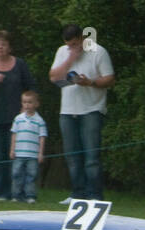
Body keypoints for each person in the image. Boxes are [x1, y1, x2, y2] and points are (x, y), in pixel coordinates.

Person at [48, 23, 114, 201]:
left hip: (92, 109)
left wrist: (90, 82)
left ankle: (95, 195)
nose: (72, 48)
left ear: (83, 39)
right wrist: (70, 59)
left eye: (75, 44)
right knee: (72, 156)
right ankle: (78, 194)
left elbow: (109, 79)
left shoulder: (98, 51)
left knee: (91, 156)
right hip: (68, 111)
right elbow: (53, 77)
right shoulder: (62, 52)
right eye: (69, 45)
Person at [0, 30, 36, 201]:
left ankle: (19, 192)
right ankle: (3, 193)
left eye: (3, 44)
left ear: (10, 47)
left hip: (17, 118)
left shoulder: (20, 64)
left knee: (18, 155)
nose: (0, 47)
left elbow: (30, 86)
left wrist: (27, 108)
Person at [9, 91, 47, 203]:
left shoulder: (40, 120)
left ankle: (30, 196)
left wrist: (40, 153)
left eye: (30, 102)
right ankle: (16, 195)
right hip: (19, 153)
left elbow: (42, 137)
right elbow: (14, 134)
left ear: (36, 104)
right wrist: (12, 149)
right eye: (24, 102)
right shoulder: (18, 119)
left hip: (33, 154)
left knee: (31, 175)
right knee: (16, 174)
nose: (27, 105)